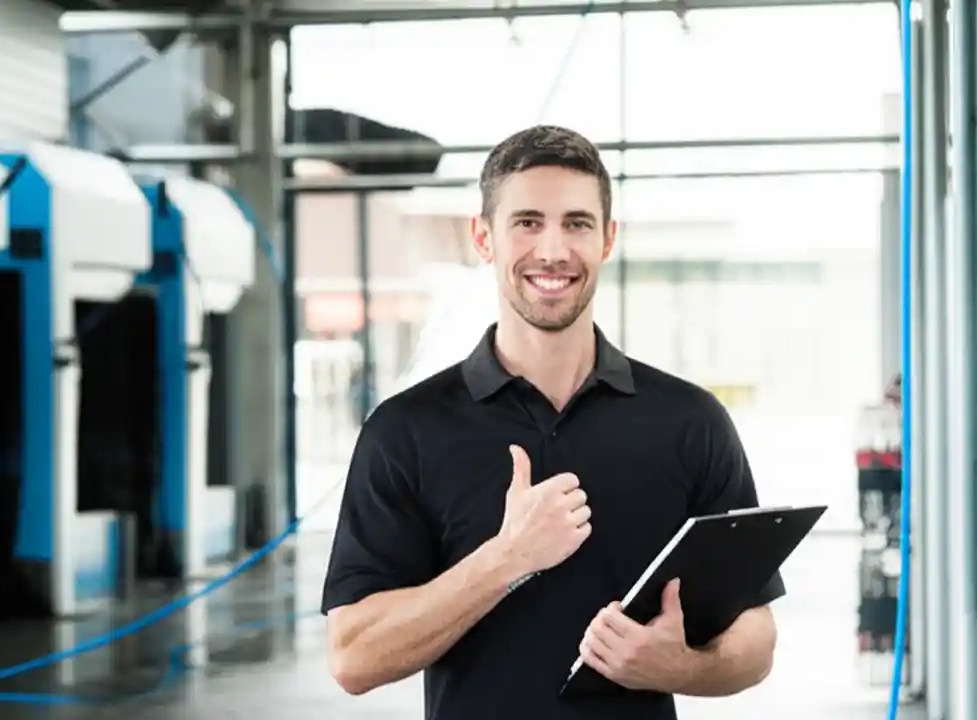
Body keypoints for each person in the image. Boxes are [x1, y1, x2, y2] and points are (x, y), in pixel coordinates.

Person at [320, 125, 784, 719]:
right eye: (527, 222)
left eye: (577, 224)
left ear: (608, 238)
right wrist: (506, 559)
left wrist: (681, 668)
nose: (553, 251)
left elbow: (755, 637)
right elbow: (354, 659)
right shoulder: (405, 431)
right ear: (483, 238)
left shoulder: (690, 422)